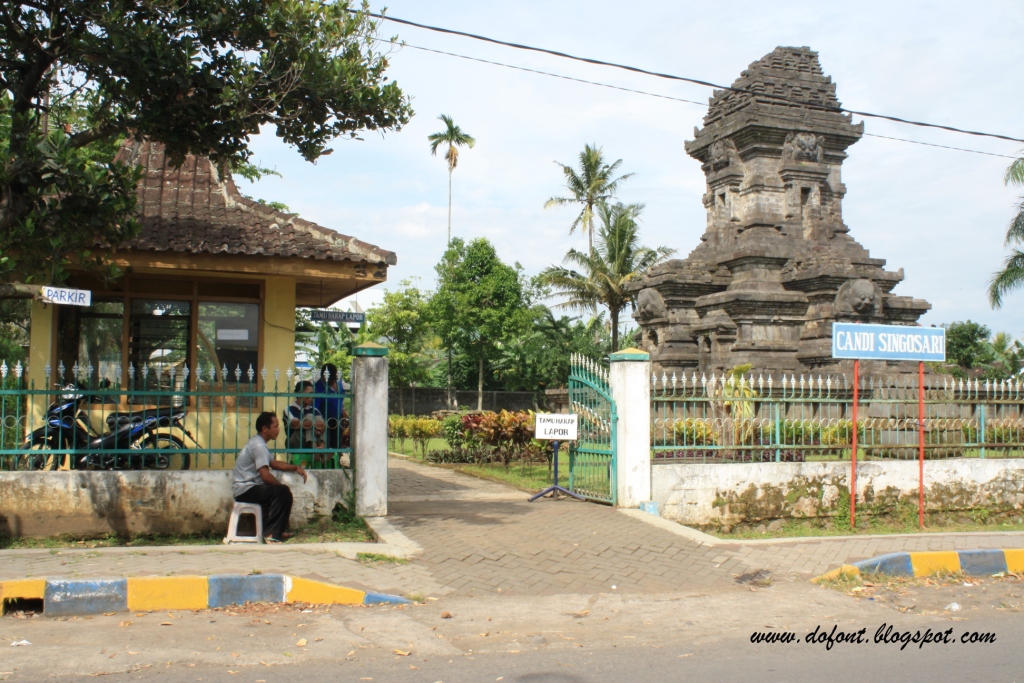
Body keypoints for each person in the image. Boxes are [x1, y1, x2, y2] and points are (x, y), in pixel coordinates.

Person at [232, 412, 307, 543]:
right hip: (245, 489)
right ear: (265, 428)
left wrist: (295, 468)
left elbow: (274, 463)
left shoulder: (260, 443)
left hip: (249, 488)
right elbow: (265, 476)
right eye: (275, 426)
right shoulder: (259, 446)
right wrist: (280, 487)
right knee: (282, 492)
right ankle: (271, 533)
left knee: (282, 492)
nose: (278, 430)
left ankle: (277, 531)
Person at [314, 364, 348, 452]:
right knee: (327, 446)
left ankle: (337, 462)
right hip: (325, 422)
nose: (333, 382)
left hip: (338, 421)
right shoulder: (318, 388)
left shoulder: (339, 384)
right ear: (323, 376)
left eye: (334, 380)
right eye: (330, 380)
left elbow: (342, 397)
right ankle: (327, 464)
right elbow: (315, 409)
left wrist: (342, 408)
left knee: (338, 445)